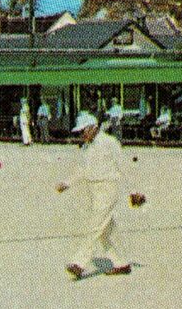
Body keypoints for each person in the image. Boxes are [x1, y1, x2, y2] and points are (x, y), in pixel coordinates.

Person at [56, 112, 130, 280]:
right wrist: (67, 183)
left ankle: (79, 263)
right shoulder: (86, 147)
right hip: (93, 189)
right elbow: (82, 169)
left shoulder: (109, 142)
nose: (82, 135)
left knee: (95, 226)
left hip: (108, 187)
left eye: (84, 131)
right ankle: (122, 263)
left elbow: (124, 166)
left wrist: (134, 191)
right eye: (80, 132)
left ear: (93, 128)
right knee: (104, 231)